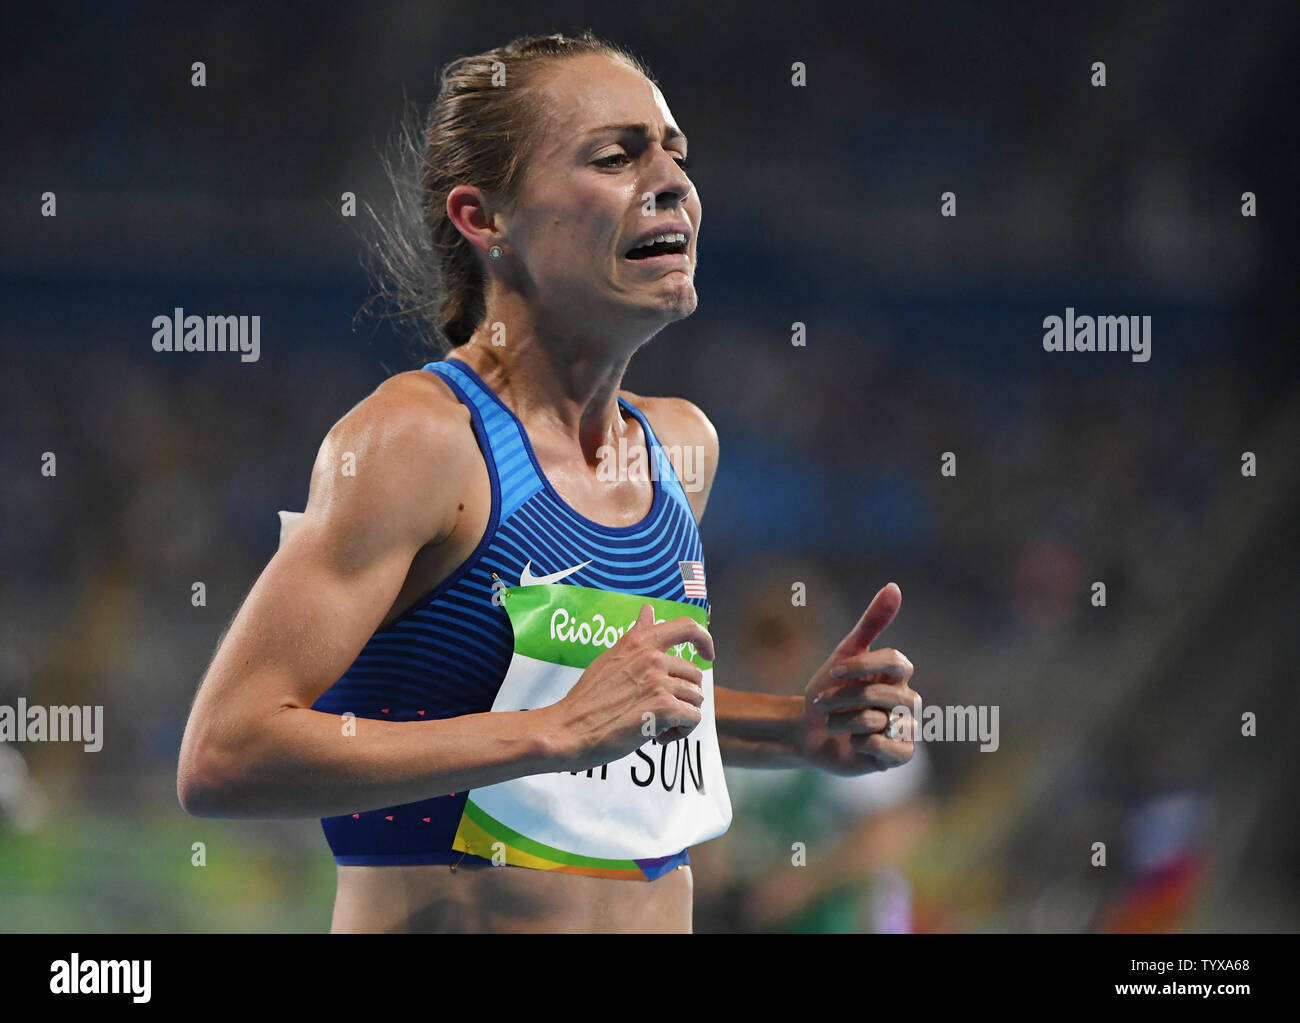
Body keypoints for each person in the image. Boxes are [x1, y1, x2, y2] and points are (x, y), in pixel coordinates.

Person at [176, 30, 919, 934]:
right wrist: (551, 735)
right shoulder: (418, 441)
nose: (674, 183)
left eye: (676, 155)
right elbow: (225, 754)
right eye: (616, 156)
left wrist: (792, 729)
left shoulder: (682, 452)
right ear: (484, 220)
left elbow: (622, 717)